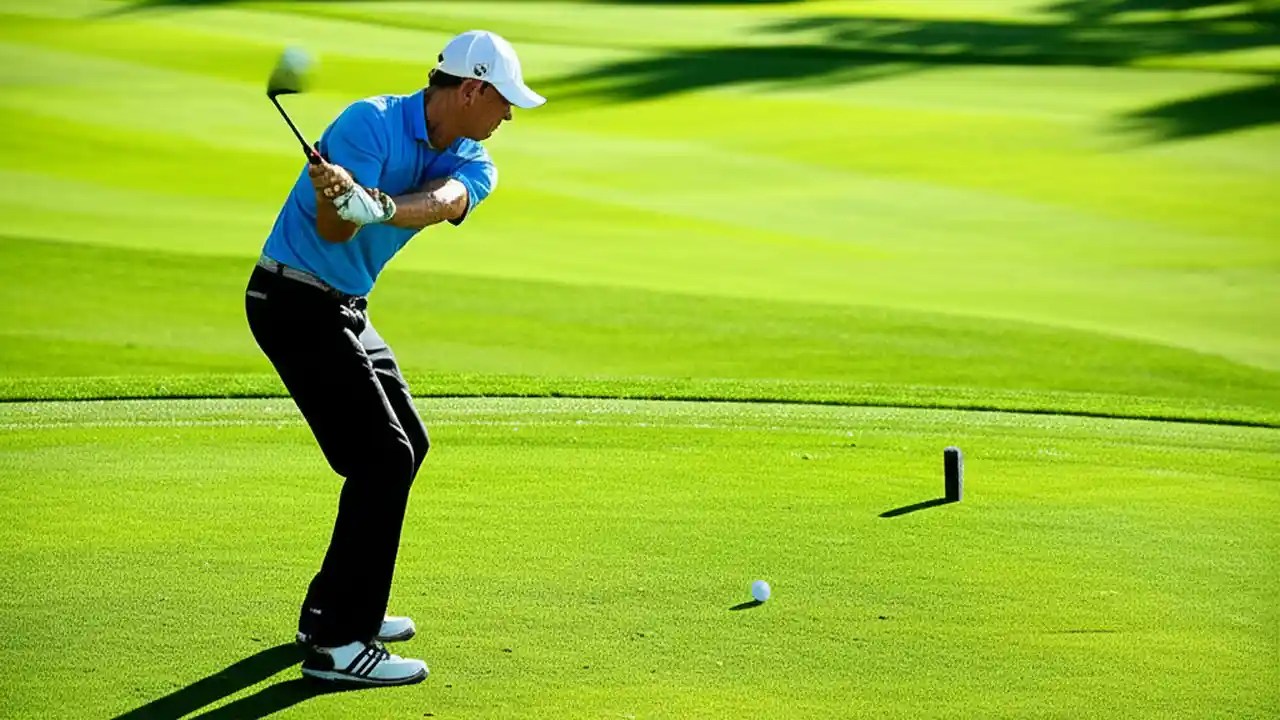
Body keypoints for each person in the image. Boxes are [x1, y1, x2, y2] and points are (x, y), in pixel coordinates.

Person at [244, 30, 545, 687]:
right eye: (504, 101)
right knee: (383, 457)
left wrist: (375, 203)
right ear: (471, 89)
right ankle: (338, 645)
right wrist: (339, 197)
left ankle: (336, 606)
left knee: (409, 441)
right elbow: (332, 232)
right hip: (292, 301)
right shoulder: (367, 126)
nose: (509, 115)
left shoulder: (474, 159)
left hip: (345, 307)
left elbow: (444, 204)